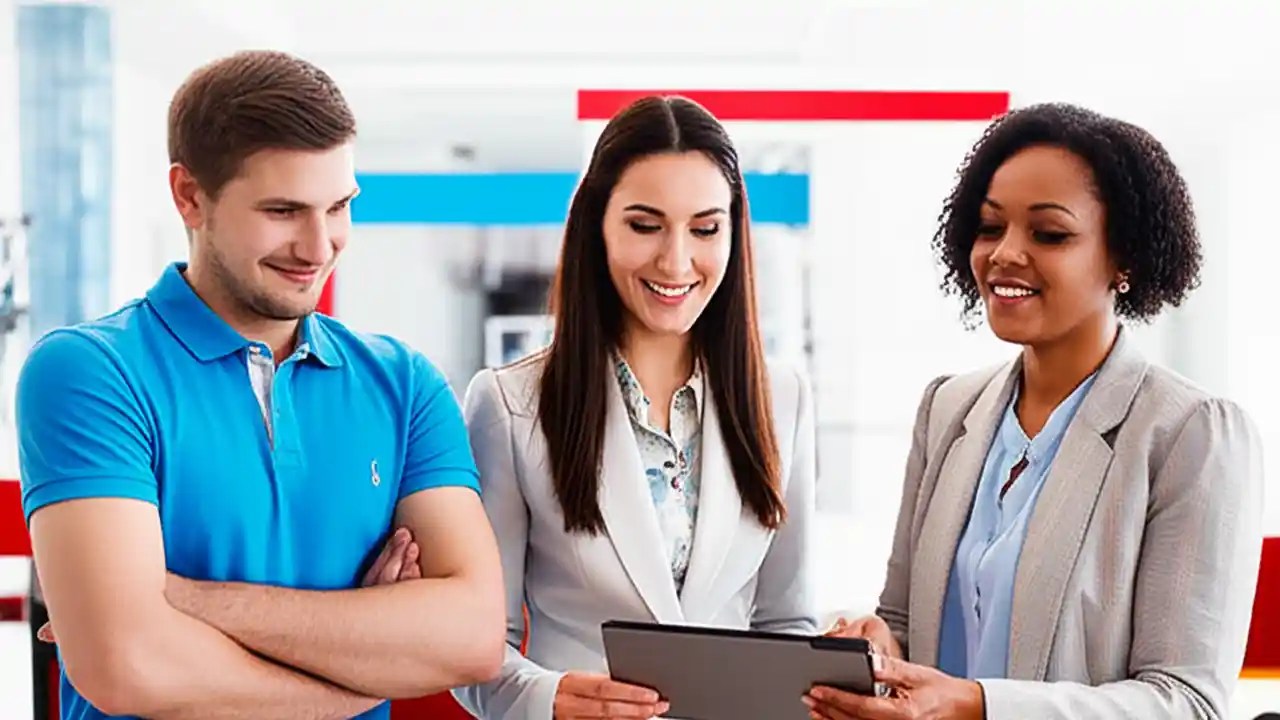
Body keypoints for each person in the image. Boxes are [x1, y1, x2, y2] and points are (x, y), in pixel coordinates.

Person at [17, 50, 505, 720]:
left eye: (339, 206)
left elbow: (474, 636)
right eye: (283, 211)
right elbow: (129, 666)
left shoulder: (405, 385)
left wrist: (183, 600)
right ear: (190, 195)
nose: (319, 245)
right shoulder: (89, 373)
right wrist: (359, 675)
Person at [806, 102, 1265, 720]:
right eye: (990, 227)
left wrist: (977, 705)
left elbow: (1185, 701)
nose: (1003, 255)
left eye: (1049, 235)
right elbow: (905, 622)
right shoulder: (948, 408)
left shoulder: (1191, 434)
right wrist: (880, 650)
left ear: (1123, 259)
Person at [452, 95, 818, 720]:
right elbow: (481, 650)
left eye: (705, 228)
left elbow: (786, 619)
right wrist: (552, 699)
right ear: (598, 225)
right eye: (645, 226)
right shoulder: (511, 407)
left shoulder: (782, 398)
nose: (676, 261)